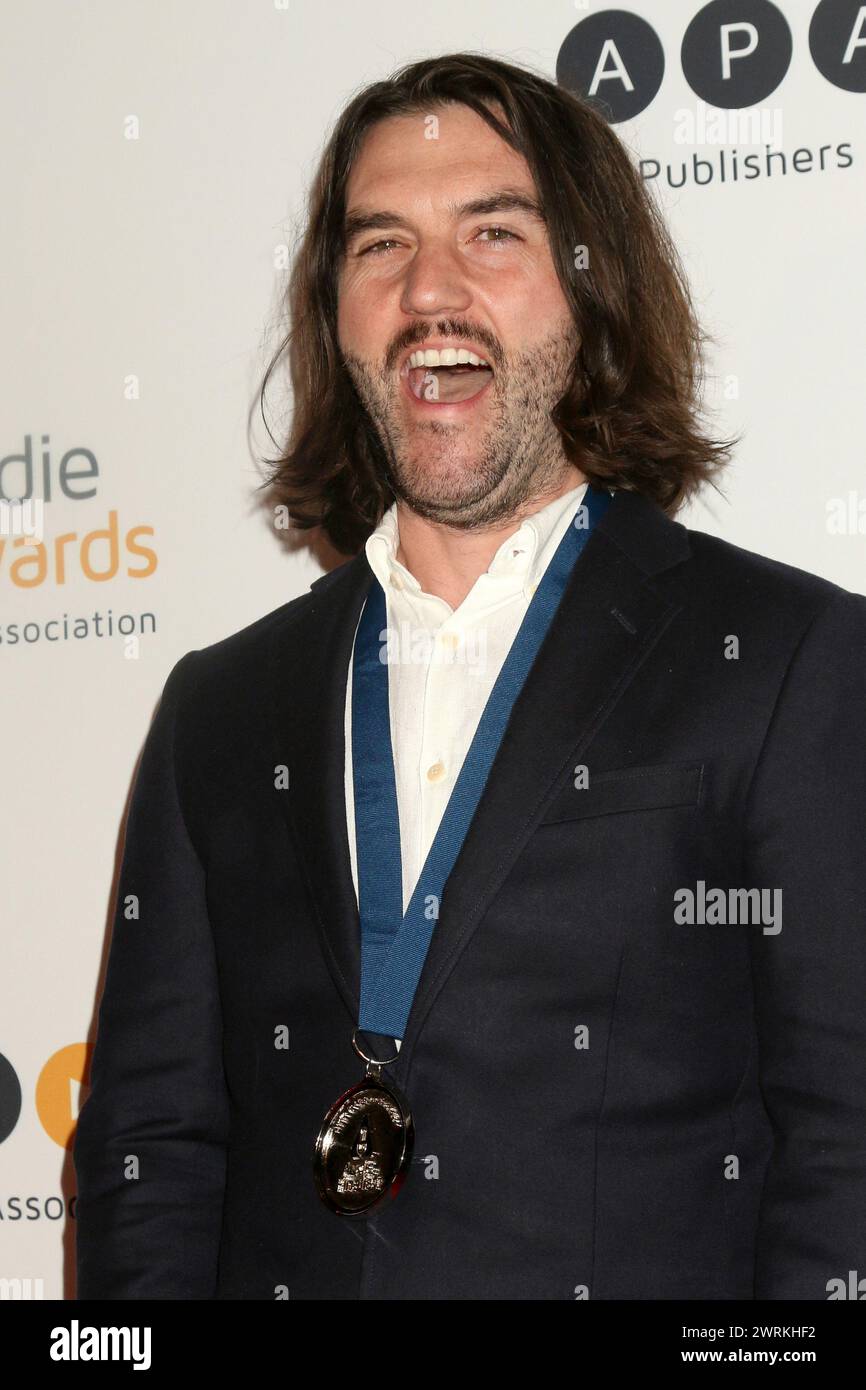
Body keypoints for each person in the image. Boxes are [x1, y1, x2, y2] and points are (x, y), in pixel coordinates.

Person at [74, 52, 866, 1301]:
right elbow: (149, 1154)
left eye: (491, 232)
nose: (427, 289)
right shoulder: (217, 710)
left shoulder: (783, 660)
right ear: (335, 314)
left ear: (591, 288)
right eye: (378, 244)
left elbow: (843, 1140)